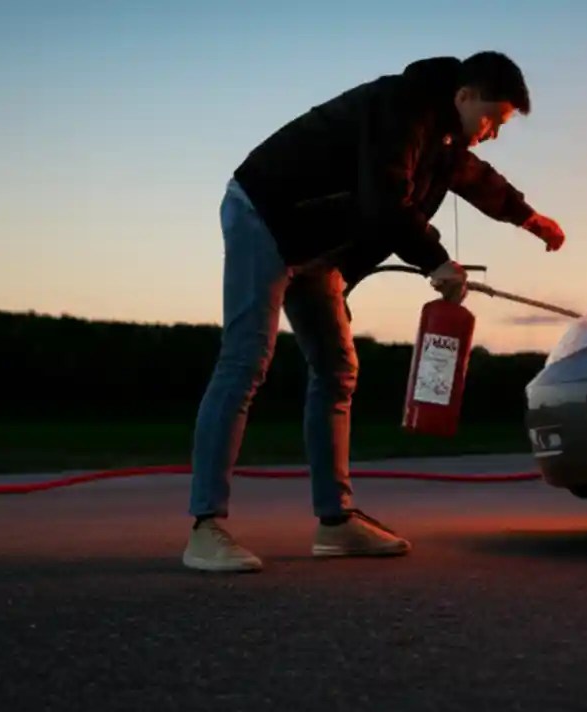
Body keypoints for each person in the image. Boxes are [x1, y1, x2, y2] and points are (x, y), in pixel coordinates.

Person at [182, 51, 566, 572]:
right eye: (492, 120)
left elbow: (477, 179)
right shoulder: (402, 110)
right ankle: (205, 528)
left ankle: (336, 524)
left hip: (317, 247)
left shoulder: (447, 141)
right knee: (246, 359)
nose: (492, 133)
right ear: (465, 97)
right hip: (266, 213)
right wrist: (435, 260)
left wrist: (529, 217)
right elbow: (383, 199)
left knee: (338, 368)